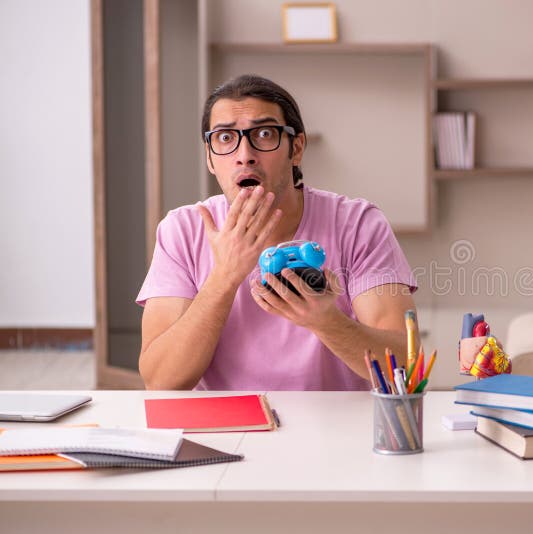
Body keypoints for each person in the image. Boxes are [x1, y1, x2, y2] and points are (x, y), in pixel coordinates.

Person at [137, 74, 417, 391]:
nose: (244, 154)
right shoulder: (181, 231)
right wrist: (224, 276)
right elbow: (161, 381)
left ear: (296, 148)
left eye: (265, 134)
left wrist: (326, 321)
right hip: (225, 420)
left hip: (335, 420)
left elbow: (404, 366)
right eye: (225, 138)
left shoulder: (358, 225)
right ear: (210, 158)